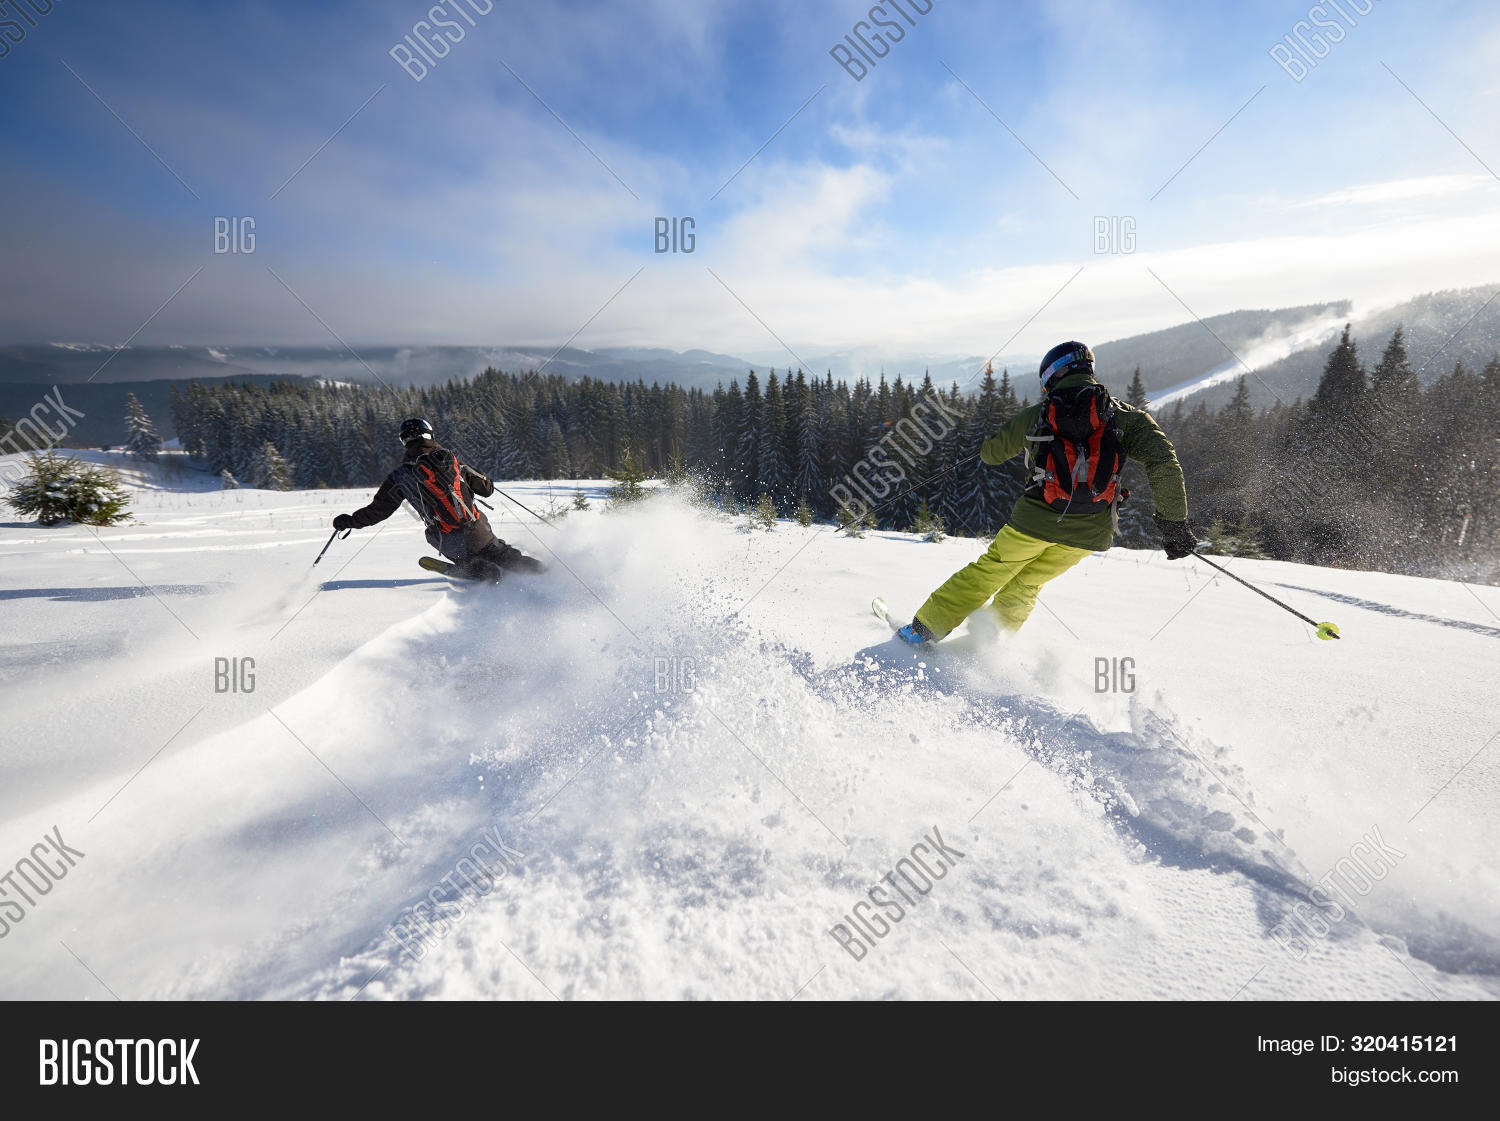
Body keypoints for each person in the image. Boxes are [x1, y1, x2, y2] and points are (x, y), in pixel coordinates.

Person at [897, 341, 1194, 645]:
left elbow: (991, 454)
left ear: (1051, 376)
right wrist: (1174, 525)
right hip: (1089, 533)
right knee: (1028, 583)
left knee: (990, 572)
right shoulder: (1127, 417)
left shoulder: (1039, 414)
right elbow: (1164, 461)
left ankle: (923, 630)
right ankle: (988, 643)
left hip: (1034, 522)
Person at [332, 418, 545, 582]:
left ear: (405, 441)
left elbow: (377, 512)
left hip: (447, 540)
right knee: (506, 557)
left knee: (455, 548)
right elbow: (487, 490)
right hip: (478, 533)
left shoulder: (398, 477)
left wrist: (349, 521)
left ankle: (474, 568)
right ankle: (549, 576)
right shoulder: (452, 461)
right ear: (430, 434)